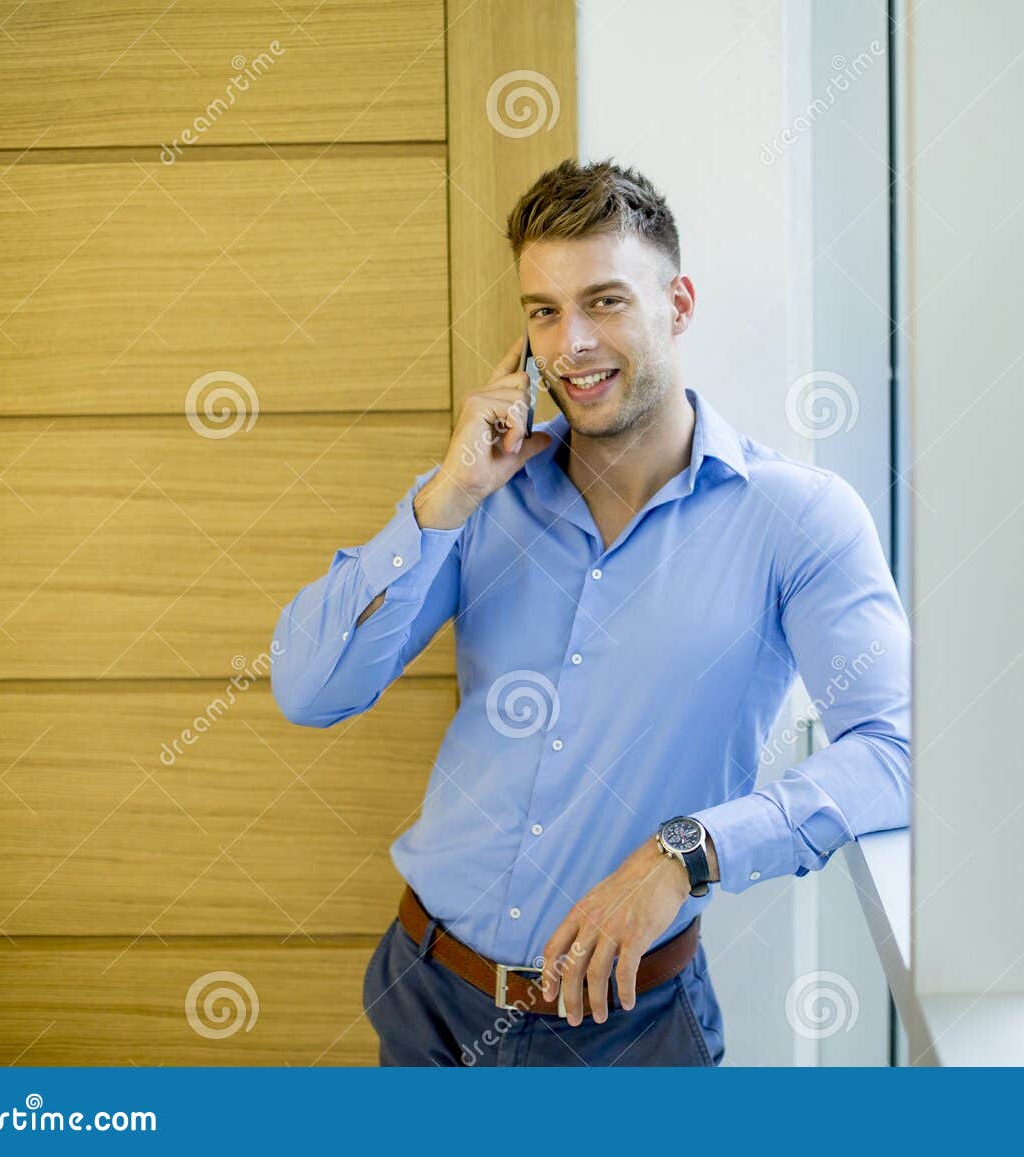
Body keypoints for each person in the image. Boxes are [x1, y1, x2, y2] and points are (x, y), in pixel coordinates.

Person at [270, 158, 912, 1066]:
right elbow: (307, 689)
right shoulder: (478, 493)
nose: (569, 343)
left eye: (605, 301)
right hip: (426, 1001)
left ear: (678, 304)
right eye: (543, 310)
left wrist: (686, 852)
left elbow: (899, 749)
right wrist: (444, 498)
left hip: (630, 1037)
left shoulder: (796, 517)